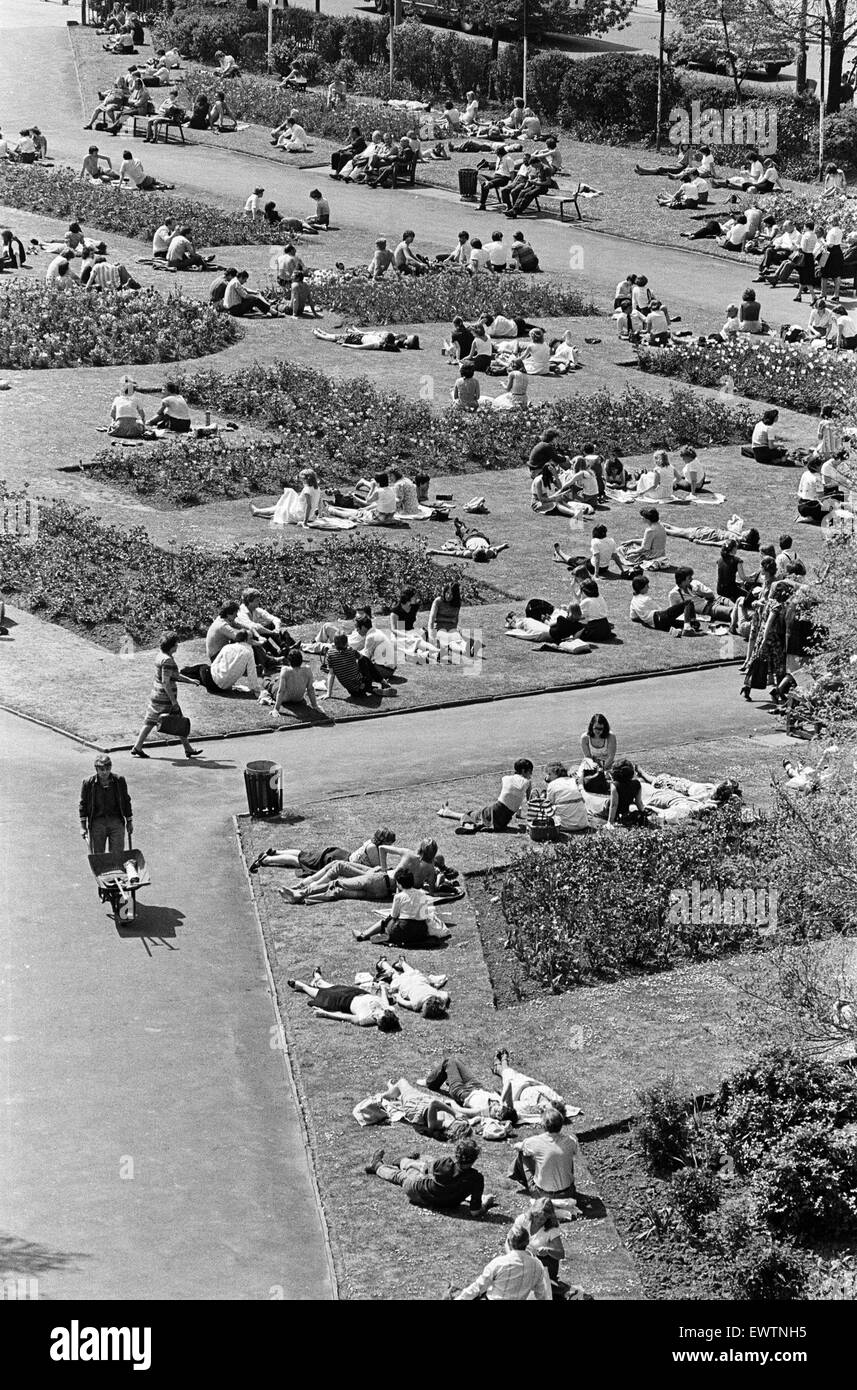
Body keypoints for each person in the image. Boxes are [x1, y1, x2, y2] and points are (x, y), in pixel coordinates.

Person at [366, 1138, 496, 1217]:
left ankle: (379, 1165)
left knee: (404, 1175)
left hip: (416, 1191)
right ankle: (403, 1161)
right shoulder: (476, 1179)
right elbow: (475, 1212)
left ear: (456, 1154)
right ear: (474, 1159)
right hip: (444, 1204)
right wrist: (486, 1204)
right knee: (413, 1170)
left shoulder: (445, 1163)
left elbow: (425, 1170)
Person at [131, 631, 202, 758]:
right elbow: (166, 681)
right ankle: (188, 749)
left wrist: (190, 681)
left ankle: (137, 747)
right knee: (179, 721)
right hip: (165, 698)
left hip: (157, 694)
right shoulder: (168, 660)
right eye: (176, 644)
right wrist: (173, 701)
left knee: (150, 721)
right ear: (171, 646)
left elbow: (173, 676)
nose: (178, 646)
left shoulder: (161, 656)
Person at [455, 1226, 552, 1301]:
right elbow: (541, 1294)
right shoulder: (537, 1266)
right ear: (527, 1242)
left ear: (509, 1242)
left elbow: (479, 1286)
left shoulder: (499, 1263)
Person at [438, 758, 533, 833]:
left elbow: (511, 793)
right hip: (504, 820)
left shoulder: (506, 778)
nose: (531, 775)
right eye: (530, 772)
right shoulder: (527, 783)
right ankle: (447, 812)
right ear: (524, 771)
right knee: (477, 817)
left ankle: (452, 815)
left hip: (496, 809)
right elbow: (530, 801)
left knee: (471, 815)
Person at [288, 968, 399, 1030]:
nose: (374, 1017)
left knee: (321, 995)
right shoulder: (389, 1008)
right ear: (386, 1012)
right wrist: (383, 988)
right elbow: (384, 998)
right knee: (333, 987)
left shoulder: (365, 1019)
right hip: (357, 993)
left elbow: (347, 1017)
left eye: (376, 1020)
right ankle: (318, 979)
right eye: (377, 1016)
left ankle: (301, 986)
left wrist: (324, 1013)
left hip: (344, 1002)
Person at [351, 866, 436, 946]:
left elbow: (393, 916)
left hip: (402, 930)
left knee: (384, 921)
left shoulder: (399, 896)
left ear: (399, 883)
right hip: (420, 932)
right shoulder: (422, 894)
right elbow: (424, 915)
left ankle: (364, 935)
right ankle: (387, 936)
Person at [509, 1108, 579, 1198]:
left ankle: (514, 1175)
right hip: (568, 1192)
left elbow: (518, 1147)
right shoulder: (571, 1141)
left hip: (543, 1195)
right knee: (567, 1156)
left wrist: (516, 1144)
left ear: (544, 1125)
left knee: (523, 1153)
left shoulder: (535, 1141)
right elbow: (574, 1152)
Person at [79, 754, 133, 854]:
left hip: (116, 821)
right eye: (101, 769)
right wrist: (83, 826)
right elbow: (83, 805)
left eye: (107, 769)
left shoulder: (119, 780)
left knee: (117, 855)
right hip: (97, 823)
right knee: (99, 855)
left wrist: (129, 821)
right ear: (96, 769)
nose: (105, 772)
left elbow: (126, 801)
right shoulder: (88, 783)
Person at [374, 958, 450, 1018]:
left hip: (419, 980)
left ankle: (402, 962)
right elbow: (402, 1001)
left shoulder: (439, 996)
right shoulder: (416, 1004)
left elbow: (445, 994)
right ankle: (382, 964)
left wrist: (443, 1002)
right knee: (394, 974)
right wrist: (397, 995)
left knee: (411, 972)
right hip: (405, 985)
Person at [629, 573, 699, 636]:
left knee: (693, 625)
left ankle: (689, 625)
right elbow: (661, 611)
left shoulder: (633, 601)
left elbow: (633, 617)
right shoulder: (646, 599)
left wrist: (645, 620)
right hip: (660, 617)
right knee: (688, 603)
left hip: (657, 625)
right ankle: (687, 628)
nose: (648, 587)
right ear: (642, 588)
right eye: (646, 586)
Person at [271, 649, 329, 719]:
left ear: (289, 661)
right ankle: (276, 680)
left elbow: (281, 691)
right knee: (278, 681)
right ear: (301, 660)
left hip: (284, 699)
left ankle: (267, 680)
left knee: (270, 684)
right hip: (298, 699)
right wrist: (315, 705)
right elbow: (310, 689)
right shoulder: (307, 670)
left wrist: (276, 709)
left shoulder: (285, 670)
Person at [543, 762, 590, 834]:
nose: (547, 777)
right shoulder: (575, 781)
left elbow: (549, 803)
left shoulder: (552, 785)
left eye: (549, 774)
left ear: (556, 774)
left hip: (563, 826)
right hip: (583, 824)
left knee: (546, 807)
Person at [606, 758, 648, 826]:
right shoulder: (637, 784)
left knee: (603, 803)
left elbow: (614, 805)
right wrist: (644, 814)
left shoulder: (615, 785)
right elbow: (639, 802)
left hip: (611, 811)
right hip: (625, 810)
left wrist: (610, 822)